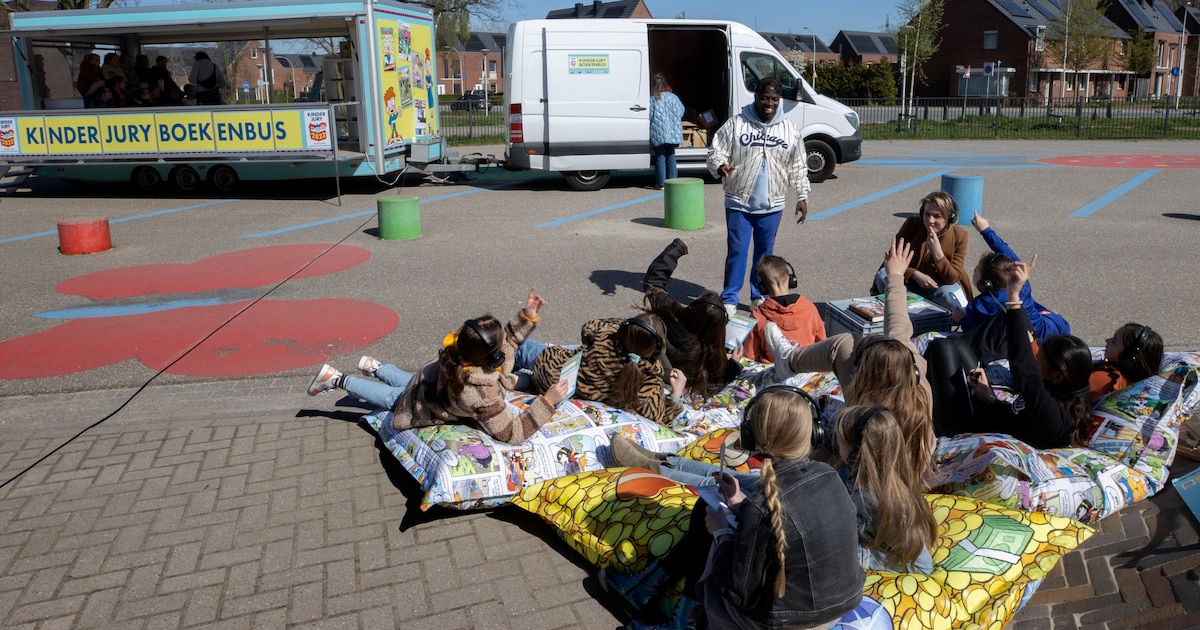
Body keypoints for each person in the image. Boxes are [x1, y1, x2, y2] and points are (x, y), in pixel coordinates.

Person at [767, 238, 936, 482]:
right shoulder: (916, 373)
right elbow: (898, 323)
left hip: (865, 469)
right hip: (913, 469)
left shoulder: (859, 420)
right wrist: (896, 276)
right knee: (893, 337)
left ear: (861, 376)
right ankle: (790, 360)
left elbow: (837, 459)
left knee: (844, 343)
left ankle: (789, 360)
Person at [306, 288, 570, 444]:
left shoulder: (462, 350)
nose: (507, 342)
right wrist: (546, 401)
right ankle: (338, 379)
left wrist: (528, 316)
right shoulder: (480, 392)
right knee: (396, 398)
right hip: (429, 403)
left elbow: (509, 341)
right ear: (492, 358)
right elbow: (511, 432)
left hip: (428, 379)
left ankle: (376, 368)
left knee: (410, 381)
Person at [700, 386, 864, 628]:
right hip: (845, 603)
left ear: (752, 436)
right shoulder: (829, 474)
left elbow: (739, 593)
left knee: (713, 562)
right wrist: (739, 504)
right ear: (813, 432)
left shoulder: (761, 506)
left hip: (791, 622)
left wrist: (721, 534)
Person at [924, 257, 1095, 448]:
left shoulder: (1054, 416)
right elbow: (1015, 420)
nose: (1035, 360)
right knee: (955, 344)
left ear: (1057, 376)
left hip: (969, 435)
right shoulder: (1054, 393)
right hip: (989, 417)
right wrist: (990, 399)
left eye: (1039, 360)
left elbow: (1023, 367)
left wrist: (1013, 299)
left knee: (941, 348)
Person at [706, 77, 810, 314]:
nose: (769, 103)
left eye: (774, 99)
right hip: (739, 202)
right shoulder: (736, 124)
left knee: (764, 257)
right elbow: (716, 150)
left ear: (779, 100)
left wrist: (802, 196)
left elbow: (798, 165)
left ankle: (758, 295)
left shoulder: (790, 129)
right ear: (756, 97)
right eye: (764, 98)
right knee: (737, 252)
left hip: (772, 205)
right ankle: (730, 298)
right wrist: (720, 164)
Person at [530, 313, 688, 427]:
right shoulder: (650, 378)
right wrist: (676, 393)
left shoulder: (604, 335)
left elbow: (588, 327)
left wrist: (623, 325)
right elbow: (660, 418)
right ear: (655, 350)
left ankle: (519, 373)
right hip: (561, 395)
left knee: (526, 349)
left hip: (548, 370)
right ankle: (522, 380)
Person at [834, 405, 937, 574]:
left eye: (840, 444)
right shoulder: (852, 474)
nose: (838, 448)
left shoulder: (883, 502)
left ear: (857, 451)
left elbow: (922, 567)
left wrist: (859, 555)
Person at [641, 237, 741, 397]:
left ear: (693, 307)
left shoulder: (671, 312)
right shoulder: (712, 350)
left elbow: (653, 282)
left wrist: (676, 249)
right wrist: (734, 365)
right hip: (682, 385)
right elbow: (714, 386)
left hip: (661, 373)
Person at [957, 211, 1070, 342]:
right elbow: (1008, 254)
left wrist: (961, 318)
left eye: (976, 270)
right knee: (1041, 314)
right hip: (1050, 331)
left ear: (985, 283)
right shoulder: (1023, 287)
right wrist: (986, 230)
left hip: (1026, 344)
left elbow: (974, 332)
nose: (974, 270)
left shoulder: (977, 307)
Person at [871, 190, 972, 312]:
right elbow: (892, 261)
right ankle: (899, 314)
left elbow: (953, 278)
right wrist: (915, 275)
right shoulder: (912, 225)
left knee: (952, 296)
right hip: (908, 281)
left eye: (937, 216)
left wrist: (938, 254)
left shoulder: (960, 236)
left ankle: (937, 322)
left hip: (936, 286)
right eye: (927, 214)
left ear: (949, 217)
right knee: (884, 275)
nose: (930, 220)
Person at [743, 254, 825, 363]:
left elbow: (749, 355)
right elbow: (823, 345)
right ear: (790, 280)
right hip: (806, 369)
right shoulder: (809, 308)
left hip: (774, 373)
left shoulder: (758, 315)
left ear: (763, 288)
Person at [1090, 323, 1164, 401]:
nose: (1107, 340)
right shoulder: (1143, 384)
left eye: (1114, 342)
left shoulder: (1106, 378)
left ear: (1128, 359)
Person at [648, 72, 685, 190]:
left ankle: (661, 183)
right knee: (671, 155)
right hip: (673, 132)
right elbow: (681, 111)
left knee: (660, 156)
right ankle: (673, 181)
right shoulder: (674, 97)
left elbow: (649, 115)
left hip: (658, 131)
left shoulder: (653, 98)